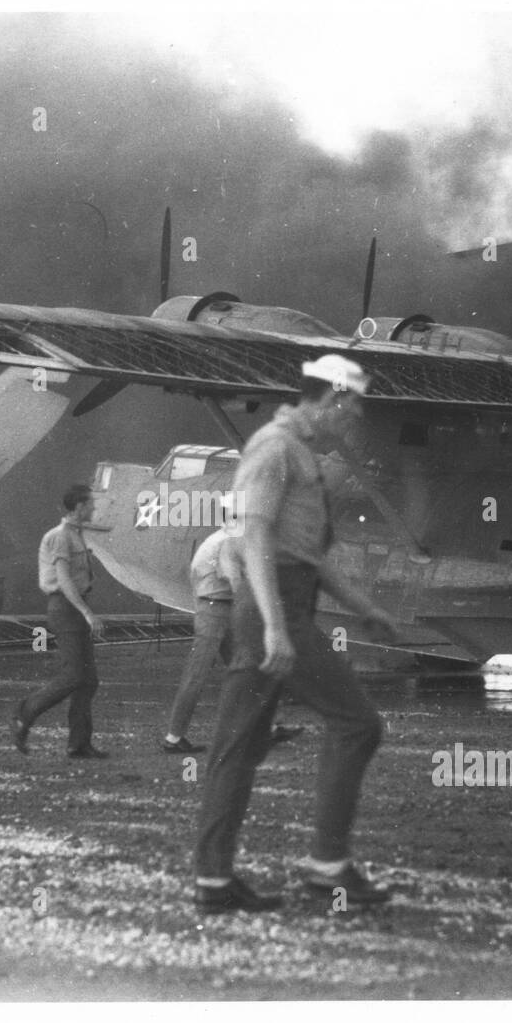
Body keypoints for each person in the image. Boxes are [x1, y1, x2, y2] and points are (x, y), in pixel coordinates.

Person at [192, 354, 412, 914]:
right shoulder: (274, 448)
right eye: (354, 403)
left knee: (237, 748)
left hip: (281, 604)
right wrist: (274, 628)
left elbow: (309, 557)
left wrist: (365, 608)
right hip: (274, 610)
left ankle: (214, 881)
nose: (356, 414)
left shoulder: (296, 451)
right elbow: (253, 538)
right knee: (357, 724)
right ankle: (327, 867)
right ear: (332, 398)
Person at [160, 527, 301, 755]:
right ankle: (173, 737)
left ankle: (269, 727)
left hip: (215, 605)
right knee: (198, 674)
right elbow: (235, 579)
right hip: (216, 608)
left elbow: (199, 573)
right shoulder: (232, 541)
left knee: (247, 668)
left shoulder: (221, 538)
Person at [12, 484, 109, 760]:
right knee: (75, 675)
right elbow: (64, 580)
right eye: (90, 504)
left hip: (73, 606)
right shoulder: (59, 537)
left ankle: (78, 744)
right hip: (65, 608)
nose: (94, 508)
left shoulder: (75, 534)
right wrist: (87, 613)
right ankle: (25, 712)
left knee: (88, 681)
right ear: (79, 507)